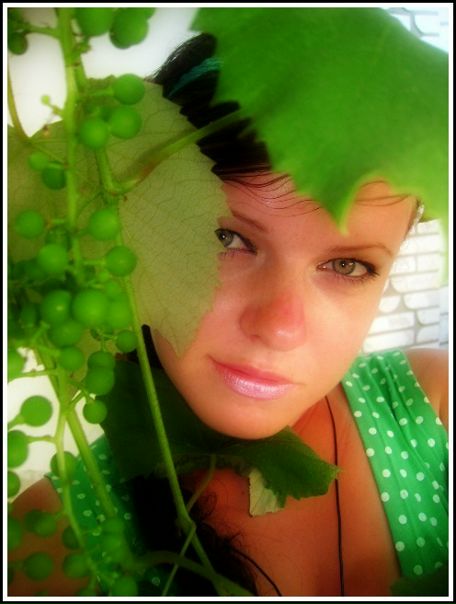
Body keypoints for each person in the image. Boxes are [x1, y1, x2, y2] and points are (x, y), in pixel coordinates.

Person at [8, 23, 448, 598]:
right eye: (226, 239)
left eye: (347, 266)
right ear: (130, 225)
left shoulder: (435, 408)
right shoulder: (48, 541)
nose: (280, 327)